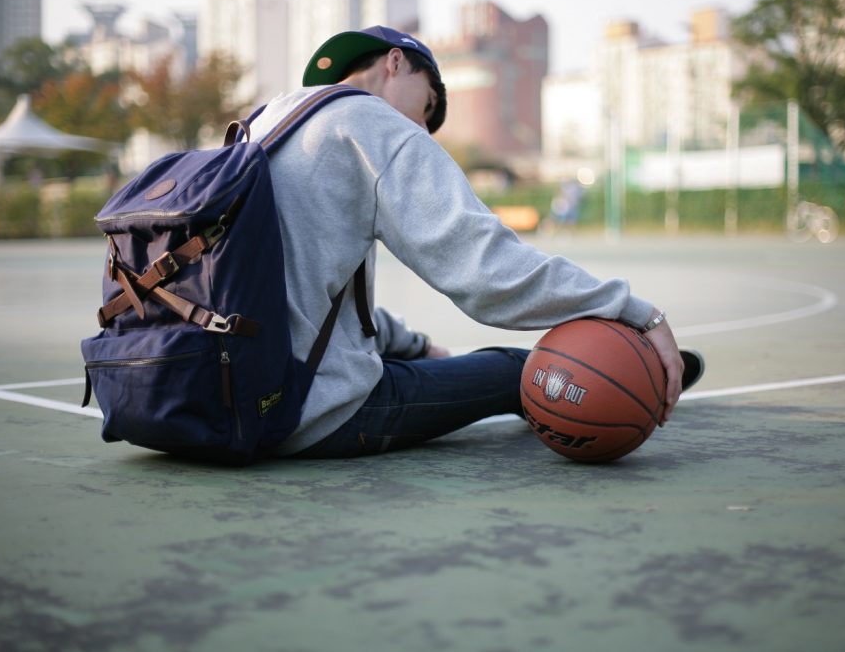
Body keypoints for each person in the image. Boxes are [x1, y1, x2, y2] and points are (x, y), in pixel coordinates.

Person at [248, 26, 699, 459]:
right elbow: (487, 274)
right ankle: (636, 381)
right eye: (426, 105)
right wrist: (635, 311)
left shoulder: (266, 124)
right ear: (395, 62)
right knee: (514, 368)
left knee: (407, 362)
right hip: (308, 414)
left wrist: (414, 345)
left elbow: (309, 295)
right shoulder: (376, 125)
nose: (422, 129)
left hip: (224, 396)